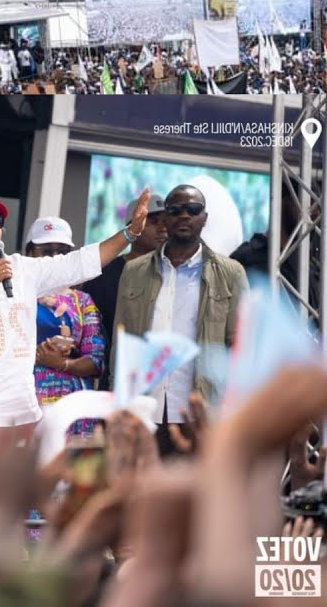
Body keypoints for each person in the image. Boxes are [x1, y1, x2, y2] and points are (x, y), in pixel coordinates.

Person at [0, 190, 150, 517]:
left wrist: (129, 234)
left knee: (9, 507)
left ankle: (6, 568)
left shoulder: (21, 268)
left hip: (16, 408)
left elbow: (79, 263)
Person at [113, 184, 247, 454]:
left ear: (204, 218)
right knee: (140, 491)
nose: (184, 215)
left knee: (192, 494)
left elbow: (239, 345)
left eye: (193, 209)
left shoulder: (231, 273)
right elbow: (122, 341)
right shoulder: (134, 271)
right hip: (143, 406)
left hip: (199, 409)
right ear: (165, 219)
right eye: (175, 210)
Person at [23, 217, 106, 416]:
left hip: (70, 408)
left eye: (62, 251)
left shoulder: (83, 301)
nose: (55, 257)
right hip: (22, 404)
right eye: (46, 251)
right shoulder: (10, 295)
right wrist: (33, 356)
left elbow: (96, 362)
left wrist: (62, 364)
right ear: (29, 253)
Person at [80, 194, 167, 361]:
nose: (163, 229)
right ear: (132, 225)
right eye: (154, 222)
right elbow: (91, 329)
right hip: (116, 370)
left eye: (166, 222)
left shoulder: (173, 272)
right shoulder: (105, 273)